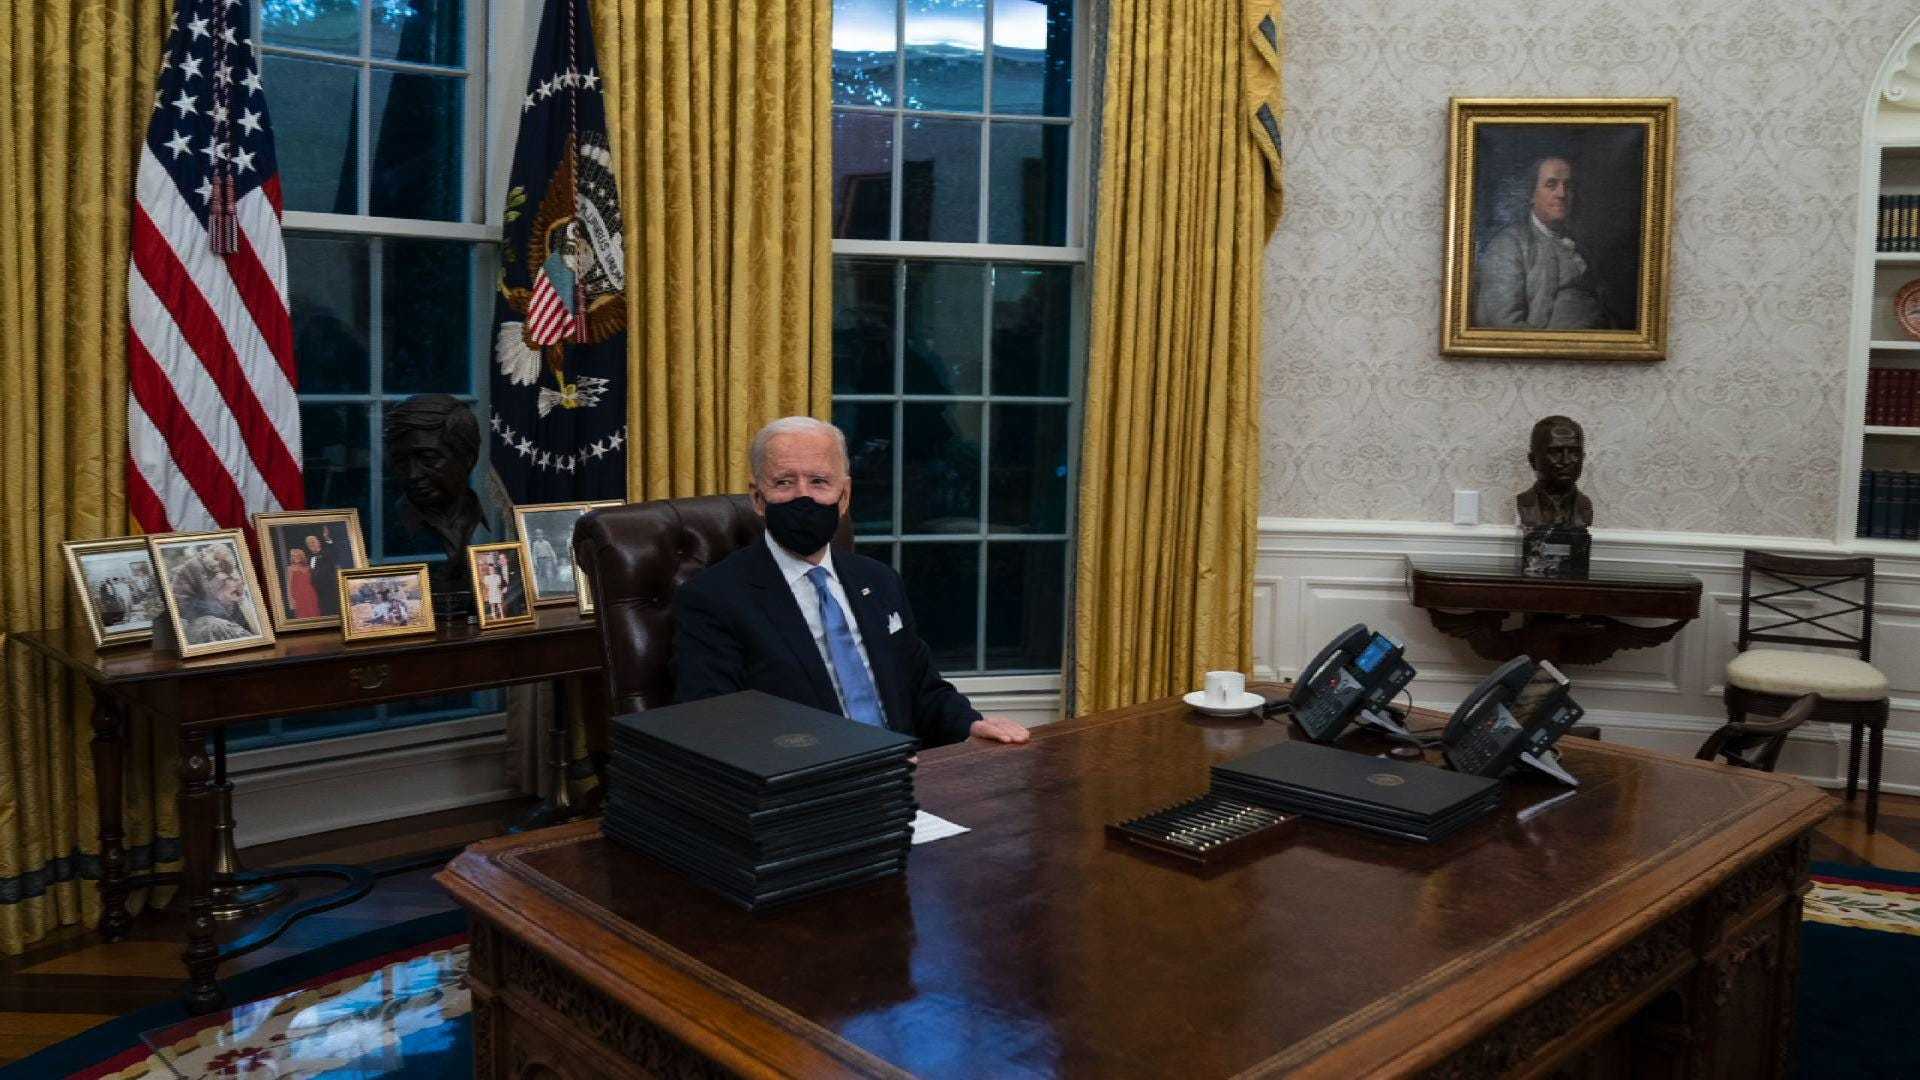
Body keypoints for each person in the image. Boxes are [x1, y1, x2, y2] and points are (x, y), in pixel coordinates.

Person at [674, 416, 1030, 748]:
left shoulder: (879, 581)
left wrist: (971, 724)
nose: (803, 496)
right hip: (810, 781)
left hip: (904, 773)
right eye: (784, 482)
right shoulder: (713, 598)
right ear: (758, 498)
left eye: (819, 482)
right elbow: (718, 728)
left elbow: (922, 689)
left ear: (844, 496)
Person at [1473, 155, 1617, 330]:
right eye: (1551, 185)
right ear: (1532, 194)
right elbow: (1503, 324)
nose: (1562, 194)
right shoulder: (1508, 245)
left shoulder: (1581, 244)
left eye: (1568, 186)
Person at [1515, 415, 1593, 528]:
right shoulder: (1525, 503)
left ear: (1583, 457)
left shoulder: (1584, 506)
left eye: (1574, 452)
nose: (1566, 461)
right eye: (1555, 452)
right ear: (1533, 460)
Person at [300, 532, 339, 616]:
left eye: (313, 542)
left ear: (319, 543)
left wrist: (328, 540)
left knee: (333, 610)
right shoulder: (309, 558)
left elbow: (334, 550)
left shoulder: (327, 552)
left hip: (330, 588)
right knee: (323, 611)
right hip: (317, 590)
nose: (311, 544)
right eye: (309, 543)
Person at [286, 547, 322, 619]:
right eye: (293, 556)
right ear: (291, 557)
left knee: (315, 615)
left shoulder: (309, 567)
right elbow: (289, 586)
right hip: (298, 597)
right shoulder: (290, 569)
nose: (296, 557)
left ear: (302, 557)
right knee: (302, 617)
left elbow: (315, 581)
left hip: (311, 594)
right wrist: (291, 601)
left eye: (298, 555)